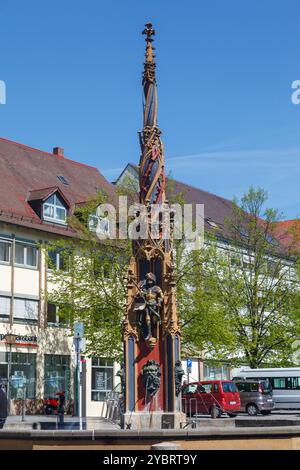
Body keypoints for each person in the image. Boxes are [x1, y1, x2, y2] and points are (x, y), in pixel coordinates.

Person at [134, 272, 163, 343]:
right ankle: (149, 333)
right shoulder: (145, 288)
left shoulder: (157, 288)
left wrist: (159, 302)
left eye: (151, 280)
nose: (149, 281)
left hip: (154, 305)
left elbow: (162, 296)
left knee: (154, 320)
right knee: (147, 318)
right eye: (148, 280)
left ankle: (154, 334)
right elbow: (140, 295)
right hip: (146, 305)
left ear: (153, 280)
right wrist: (139, 294)